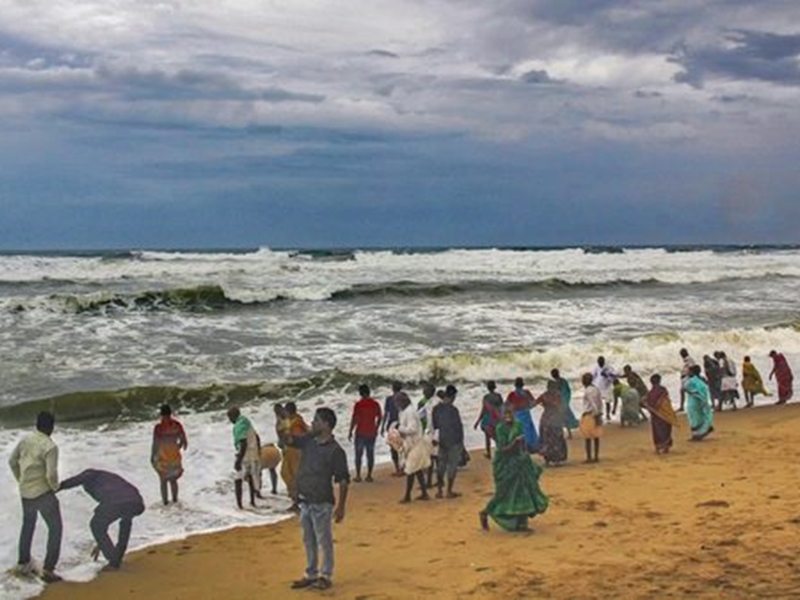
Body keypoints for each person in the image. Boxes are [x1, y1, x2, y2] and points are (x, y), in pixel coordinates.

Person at [287, 408, 350, 591]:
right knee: (308, 539)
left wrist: (341, 507)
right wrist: (285, 424)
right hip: (305, 499)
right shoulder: (309, 441)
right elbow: (289, 441)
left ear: (326, 424)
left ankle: (325, 575)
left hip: (322, 501)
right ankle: (311, 573)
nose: (312, 422)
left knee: (324, 539)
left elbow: (343, 480)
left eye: (316, 420)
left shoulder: (335, 451)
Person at [8, 411, 63, 583]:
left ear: (37, 424)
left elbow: (12, 461)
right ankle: (48, 569)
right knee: (55, 528)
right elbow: (51, 474)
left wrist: (20, 480)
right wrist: (55, 488)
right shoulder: (50, 446)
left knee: (28, 525)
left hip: (25, 491)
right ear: (51, 427)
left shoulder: (26, 439)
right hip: (43, 493)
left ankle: (23, 563)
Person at [479, 404, 549, 532]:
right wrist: (514, 443)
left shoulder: (518, 425)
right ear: (501, 415)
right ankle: (485, 513)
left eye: (510, 413)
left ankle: (522, 523)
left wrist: (526, 456)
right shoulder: (500, 429)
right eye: (505, 414)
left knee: (524, 491)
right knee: (503, 494)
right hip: (505, 464)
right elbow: (502, 449)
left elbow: (522, 444)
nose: (507, 416)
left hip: (520, 461)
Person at [58, 469, 145, 571]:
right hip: (136, 501)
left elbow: (78, 480)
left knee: (96, 525)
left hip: (117, 500)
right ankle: (117, 558)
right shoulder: (106, 477)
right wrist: (101, 542)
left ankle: (113, 560)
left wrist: (56, 488)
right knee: (125, 522)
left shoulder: (91, 475)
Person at [394, 392, 431, 503]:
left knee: (410, 470)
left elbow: (412, 429)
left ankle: (407, 496)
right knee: (417, 469)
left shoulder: (409, 412)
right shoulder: (407, 411)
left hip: (415, 444)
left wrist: (399, 428)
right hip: (414, 444)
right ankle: (424, 493)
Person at [432, 384, 465, 499]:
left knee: (441, 466)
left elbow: (435, 425)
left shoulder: (436, 409)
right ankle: (449, 491)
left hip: (441, 440)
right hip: (453, 440)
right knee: (452, 466)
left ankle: (439, 491)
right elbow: (458, 427)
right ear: (453, 396)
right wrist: (462, 444)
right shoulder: (453, 410)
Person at [151, 403, 188, 506]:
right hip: (174, 456)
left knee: (164, 480)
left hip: (163, 456)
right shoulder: (177, 425)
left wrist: (152, 456)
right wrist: (176, 448)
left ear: (161, 415)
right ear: (170, 414)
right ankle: (174, 501)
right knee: (172, 480)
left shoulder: (158, 427)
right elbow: (184, 441)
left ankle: (166, 503)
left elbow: (155, 443)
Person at [227, 407, 261, 509]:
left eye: (230, 418)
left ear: (233, 416)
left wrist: (238, 460)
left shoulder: (239, 425)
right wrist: (258, 451)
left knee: (238, 479)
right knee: (250, 478)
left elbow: (243, 443)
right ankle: (252, 501)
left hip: (245, 456)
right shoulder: (246, 422)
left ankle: (239, 505)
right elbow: (257, 437)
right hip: (253, 454)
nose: (230, 420)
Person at [348, 383, 382, 482]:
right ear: (369, 392)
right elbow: (380, 417)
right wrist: (376, 427)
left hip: (360, 432)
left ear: (360, 393)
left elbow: (355, 419)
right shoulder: (375, 404)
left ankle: (358, 475)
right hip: (371, 432)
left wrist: (350, 431)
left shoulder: (358, 405)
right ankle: (369, 475)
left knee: (359, 454)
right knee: (370, 454)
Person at [280, 402, 310, 510]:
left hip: (295, 452)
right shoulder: (294, 421)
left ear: (288, 411)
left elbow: (297, 438)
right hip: (291, 452)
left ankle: (297, 501)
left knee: (292, 476)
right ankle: (297, 499)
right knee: (287, 474)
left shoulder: (296, 423)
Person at [641, 374, 678, 454]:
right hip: (664, 414)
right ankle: (666, 448)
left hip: (655, 415)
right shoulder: (663, 390)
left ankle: (657, 448)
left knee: (656, 431)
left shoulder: (650, 393)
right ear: (659, 381)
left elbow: (644, 402)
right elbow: (666, 402)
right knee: (666, 430)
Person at [536, 380, 568, 466]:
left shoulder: (544, 395)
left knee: (546, 439)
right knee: (557, 439)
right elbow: (560, 406)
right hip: (555, 418)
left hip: (546, 418)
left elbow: (534, 403)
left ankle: (547, 460)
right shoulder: (557, 395)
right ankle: (557, 460)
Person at [506, 377, 538, 453]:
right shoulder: (526, 393)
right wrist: (528, 408)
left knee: (519, 431)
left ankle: (520, 447)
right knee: (528, 431)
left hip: (517, 414)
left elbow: (507, 405)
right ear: (523, 385)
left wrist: (510, 412)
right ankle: (530, 447)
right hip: (526, 413)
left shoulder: (512, 394)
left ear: (515, 385)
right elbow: (534, 403)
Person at [380, 381, 405, 476]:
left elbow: (386, 414)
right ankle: (403, 468)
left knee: (393, 448)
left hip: (391, 425)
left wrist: (382, 427)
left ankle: (398, 469)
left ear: (392, 388)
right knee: (403, 446)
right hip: (402, 424)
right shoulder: (404, 398)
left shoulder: (389, 399)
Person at [474, 380, 503, 458]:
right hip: (497, 417)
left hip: (488, 418)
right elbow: (502, 407)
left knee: (487, 436)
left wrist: (478, 421)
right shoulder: (499, 396)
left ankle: (489, 453)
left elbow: (483, 410)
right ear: (495, 387)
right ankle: (500, 450)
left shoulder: (486, 397)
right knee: (497, 434)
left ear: (488, 388)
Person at [684, 365, 714, 441]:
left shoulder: (691, 381)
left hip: (693, 400)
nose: (687, 372)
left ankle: (696, 434)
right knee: (700, 416)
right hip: (700, 400)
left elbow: (685, 388)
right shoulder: (701, 380)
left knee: (694, 417)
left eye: (689, 371)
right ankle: (702, 431)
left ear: (692, 372)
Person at [579, 373, 603, 463]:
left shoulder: (588, 391)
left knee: (587, 437)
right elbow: (599, 402)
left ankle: (589, 457)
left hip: (589, 414)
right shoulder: (596, 389)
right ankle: (596, 456)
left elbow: (593, 403)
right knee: (596, 436)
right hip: (596, 414)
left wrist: (595, 413)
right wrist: (599, 413)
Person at [551, 369, 579, 439]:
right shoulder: (564, 381)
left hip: (559, 404)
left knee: (560, 420)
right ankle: (569, 434)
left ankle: (563, 434)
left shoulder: (555, 383)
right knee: (566, 419)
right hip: (565, 402)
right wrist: (567, 400)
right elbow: (568, 391)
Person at [591, 356, 617, 421]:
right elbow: (593, 376)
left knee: (607, 402)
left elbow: (614, 377)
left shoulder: (609, 368)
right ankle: (599, 415)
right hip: (598, 386)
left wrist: (606, 375)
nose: (600, 364)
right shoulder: (596, 368)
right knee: (598, 402)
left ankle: (607, 414)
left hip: (607, 386)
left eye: (601, 362)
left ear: (603, 361)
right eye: (599, 362)